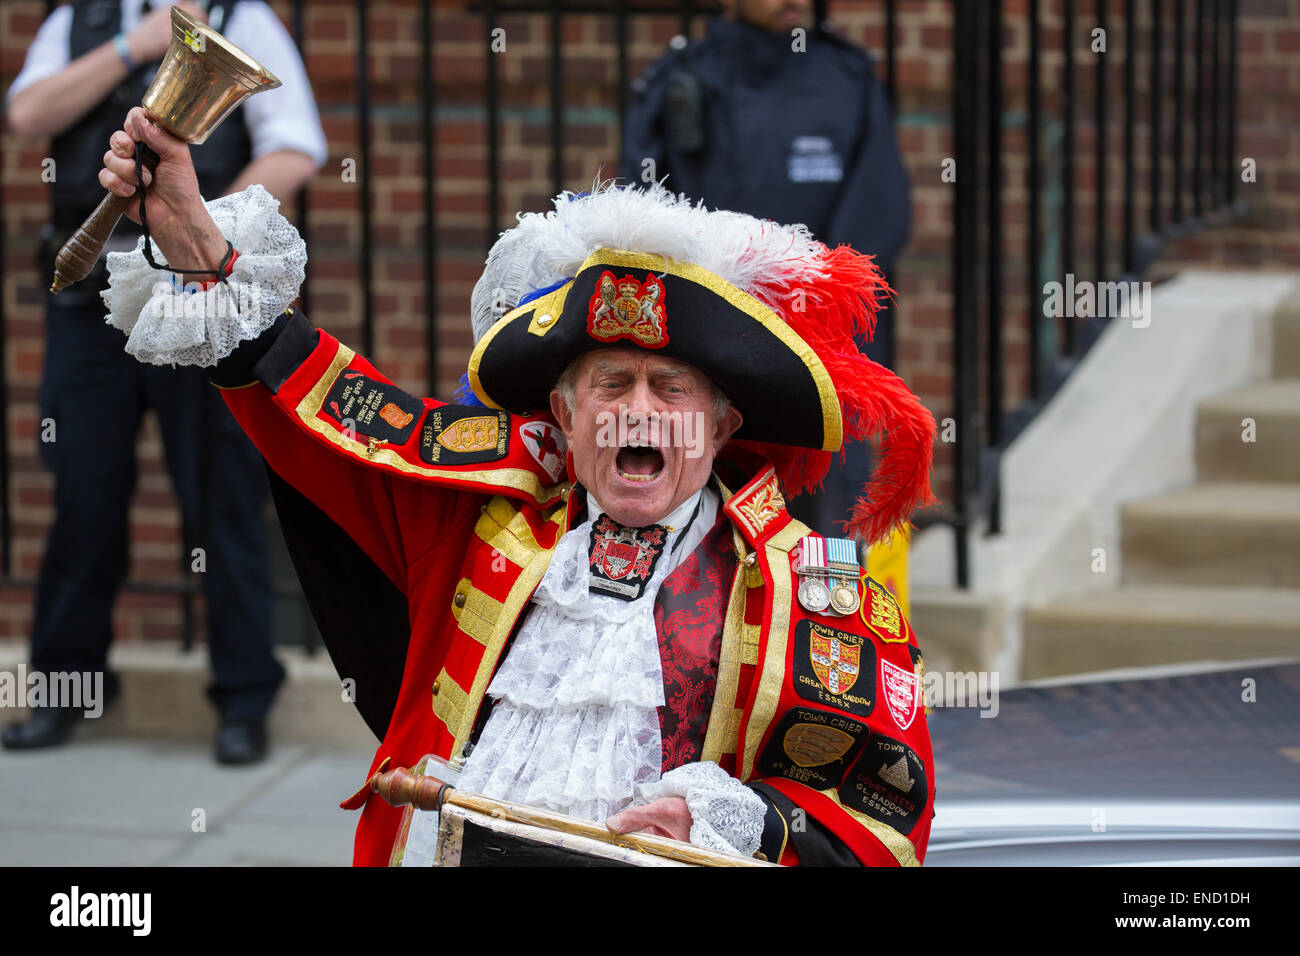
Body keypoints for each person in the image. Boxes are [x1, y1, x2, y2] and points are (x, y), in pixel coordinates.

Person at [96, 104, 939, 865]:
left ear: (720, 428)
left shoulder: (801, 591)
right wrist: (197, 244)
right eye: (610, 386)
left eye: (670, 390)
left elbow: (882, 812)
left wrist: (734, 819)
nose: (634, 416)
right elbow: (331, 423)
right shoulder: (486, 518)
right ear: (565, 422)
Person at [0, 0, 327, 764]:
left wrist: (200, 227)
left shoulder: (242, 16)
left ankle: (243, 701)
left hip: (194, 296)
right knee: (83, 492)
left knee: (221, 495)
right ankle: (66, 690)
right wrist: (131, 45)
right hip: (88, 309)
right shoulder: (79, 20)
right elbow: (27, 113)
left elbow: (297, 147)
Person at [621, 0, 912, 543]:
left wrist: (819, 299)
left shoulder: (846, 80)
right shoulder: (682, 77)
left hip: (827, 338)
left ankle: (832, 620)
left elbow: (881, 213)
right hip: (713, 338)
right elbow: (641, 218)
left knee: (833, 507)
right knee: (711, 490)